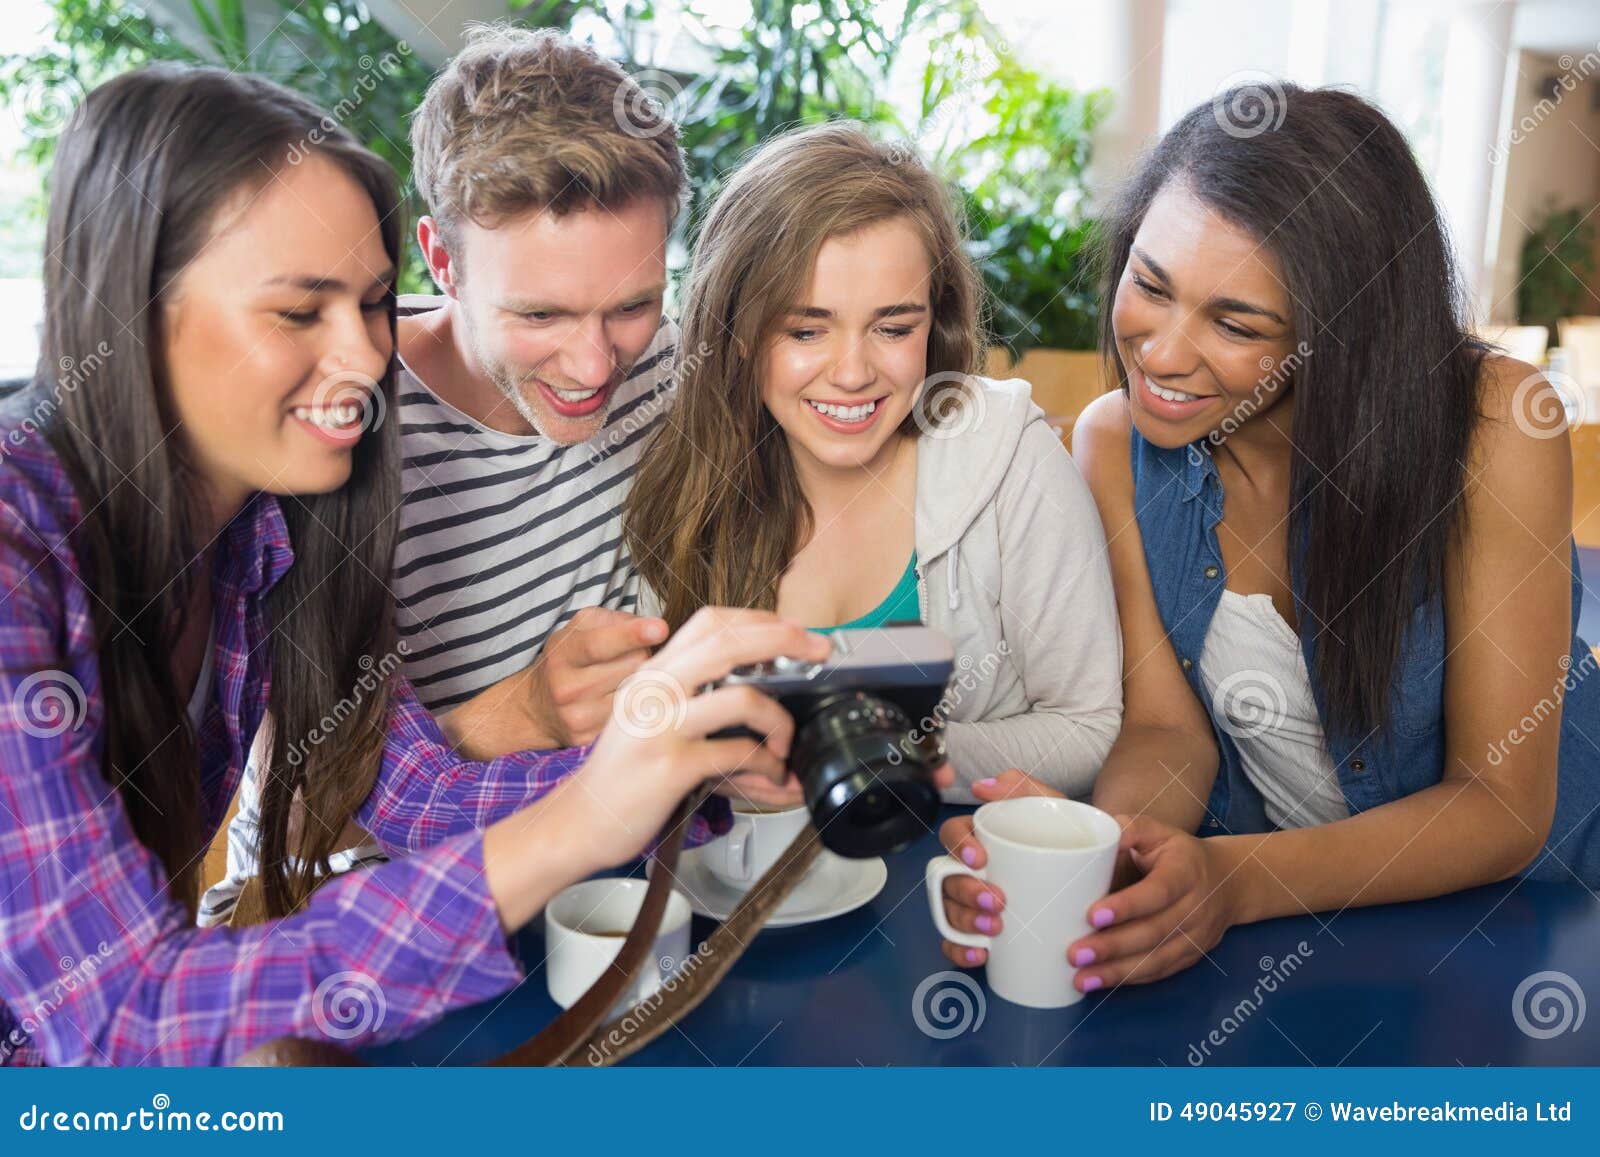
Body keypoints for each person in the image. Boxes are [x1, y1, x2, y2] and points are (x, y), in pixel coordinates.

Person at [0, 64, 831, 1066]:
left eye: (373, 301)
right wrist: (586, 808)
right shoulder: (17, 556)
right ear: (135, 310)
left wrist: (674, 772)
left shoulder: (267, 513)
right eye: (299, 313)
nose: (363, 359)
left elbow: (401, 786)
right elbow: (119, 1017)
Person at [935, 83, 1600, 995]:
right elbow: (1168, 729)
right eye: (1149, 284)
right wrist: (1103, 853)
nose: (1162, 354)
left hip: (1534, 929)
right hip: (1306, 944)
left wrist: (1237, 879)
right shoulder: (1110, 443)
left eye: (1237, 323)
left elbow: (1501, 808)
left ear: (1345, 333)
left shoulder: (1493, 424)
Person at [200, 26, 799, 926]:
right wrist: (521, 712)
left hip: (604, 891)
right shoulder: (331, 420)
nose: (596, 364)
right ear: (442, 261)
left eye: (633, 304)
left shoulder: (677, 373)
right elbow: (294, 809)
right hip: (340, 911)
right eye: (541, 313)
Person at [625, 123, 1123, 801]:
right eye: (805, 330)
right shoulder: (686, 486)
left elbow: (1089, 724)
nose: (853, 373)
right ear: (736, 334)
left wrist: (870, 755)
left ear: (935, 325)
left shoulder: (1010, 454)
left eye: (893, 328)